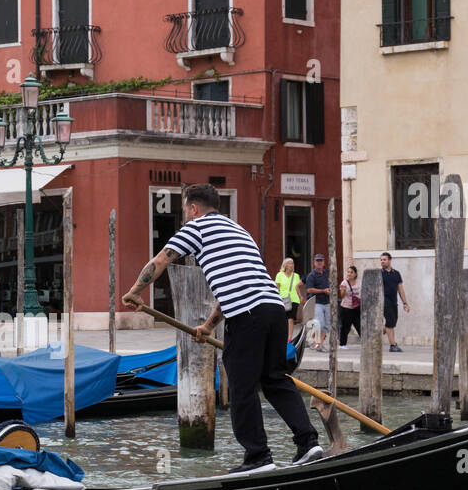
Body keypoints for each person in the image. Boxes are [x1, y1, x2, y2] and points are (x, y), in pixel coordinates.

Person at [123, 183, 322, 473]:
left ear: (193, 208)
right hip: (274, 310)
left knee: (242, 387)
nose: (185, 217)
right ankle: (308, 443)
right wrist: (207, 325)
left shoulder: (197, 228)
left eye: (185, 211)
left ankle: (258, 457)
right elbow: (236, 286)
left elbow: (162, 259)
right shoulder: (239, 231)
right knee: (276, 380)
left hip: (248, 316)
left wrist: (135, 291)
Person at [380, 252, 410, 352]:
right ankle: (393, 345)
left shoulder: (396, 273)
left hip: (394, 301)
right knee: (390, 322)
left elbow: (400, 289)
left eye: (384, 259)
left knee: (393, 322)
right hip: (384, 301)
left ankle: (383, 329)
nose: (382, 261)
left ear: (389, 260)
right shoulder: (379, 274)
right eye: (381, 260)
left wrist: (405, 303)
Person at [303, 254, 331, 351]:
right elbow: (309, 290)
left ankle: (317, 343)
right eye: (317, 261)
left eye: (321, 261)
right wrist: (323, 291)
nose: (319, 262)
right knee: (320, 324)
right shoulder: (311, 275)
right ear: (314, 263)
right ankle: (316, 342)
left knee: (327, 325)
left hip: (327, 302)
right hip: (317, 302)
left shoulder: (328, 273)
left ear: (324, 262)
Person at [274, 258, 303, 334]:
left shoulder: (296, 276)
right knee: (282, 319)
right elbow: (277, 288)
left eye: (292, 263)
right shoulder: (279, 275)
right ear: (285, 265)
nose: (291, 265)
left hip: (294, 299)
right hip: (283, 299)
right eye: (290, 263)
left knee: (291, 318)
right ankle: (283, 335)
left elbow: (297, 288)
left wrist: (300, 297)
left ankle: (289, 339)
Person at [338, 265, 361, 349]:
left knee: (359, 325)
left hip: (356, 308)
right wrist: (343, 290)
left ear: (355, 274)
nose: (349, 274)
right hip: (346, 308)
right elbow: (342, 296)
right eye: (348, 272)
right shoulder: (344, 283)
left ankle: (365, 343)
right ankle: (342, 344)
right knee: (345, 326)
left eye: (351, 272)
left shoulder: (358, 282)